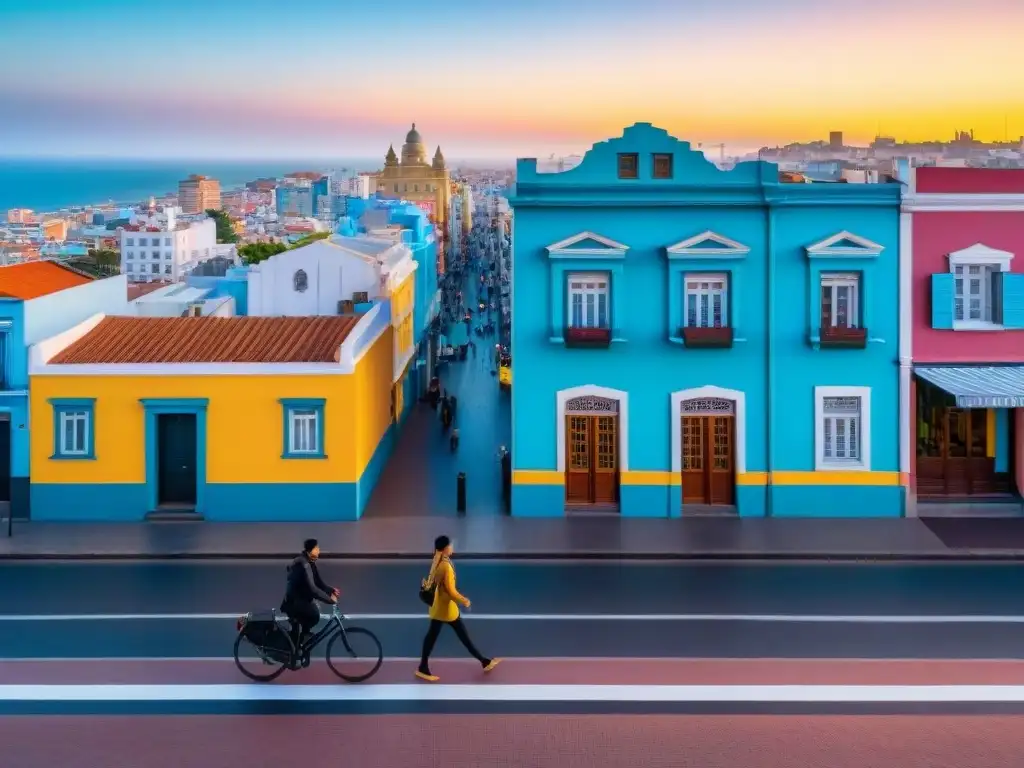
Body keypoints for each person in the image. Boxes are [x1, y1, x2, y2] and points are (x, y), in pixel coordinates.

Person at [416, 535, 501, 682]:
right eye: (450, 545)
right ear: (445, 548)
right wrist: (465, 600)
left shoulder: (436, 560)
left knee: (433, 637)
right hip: (446, 610)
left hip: (438, 607)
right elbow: (451, 591)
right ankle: (484, 661)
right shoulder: (445, 566)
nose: (452, 547)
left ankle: (484, 661)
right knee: (462, 637)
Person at [281, 538, 338, 652]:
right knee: (314, 614)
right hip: (293, 602)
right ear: (310, 550)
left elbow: (318, 582)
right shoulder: (303, 565)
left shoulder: (310, 563)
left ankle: (300, 641)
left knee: (312, 614)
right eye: (316, 548)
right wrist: (329, 600)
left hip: (300, 600)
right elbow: (313, 590)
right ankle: (296, 646)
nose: (319, 550)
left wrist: (330, 590)